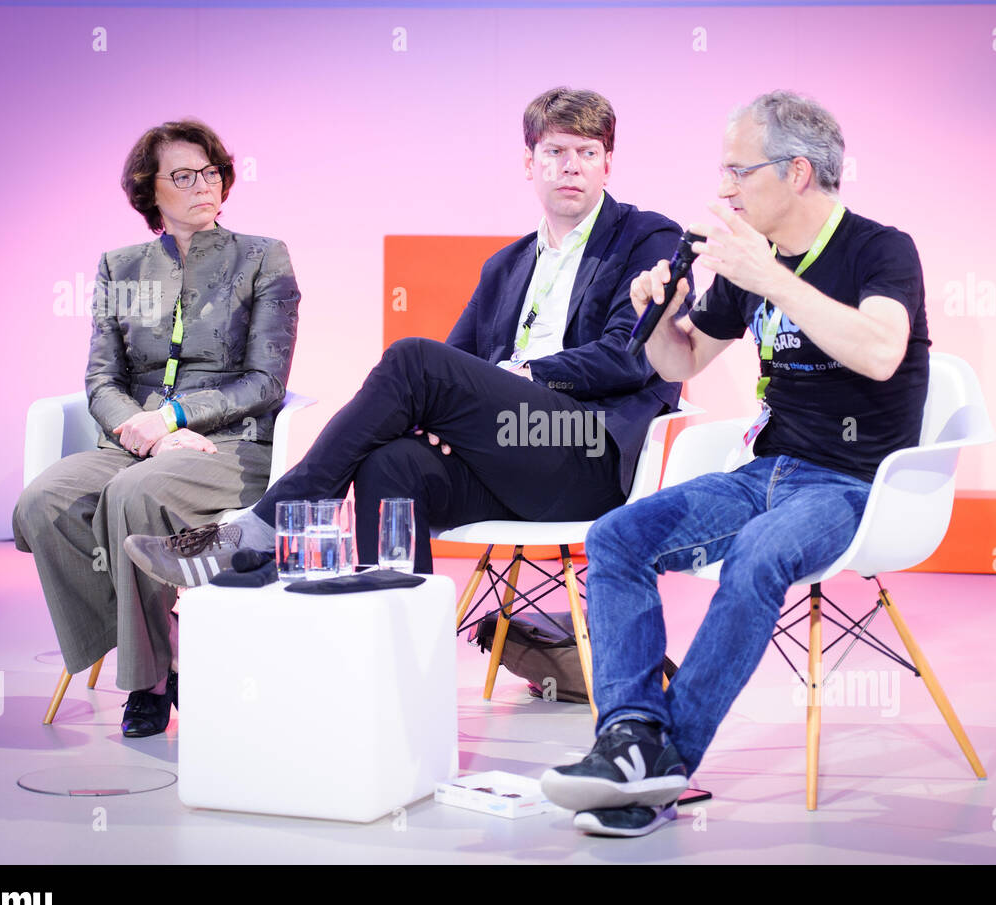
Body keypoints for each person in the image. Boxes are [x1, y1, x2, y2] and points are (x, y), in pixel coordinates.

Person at [540, 90, 931, 837]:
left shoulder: (881, 249)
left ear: (797, 174)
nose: (722, 189)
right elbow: (680, 357)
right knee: (616, 538)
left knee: (757, 556)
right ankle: (630, 734)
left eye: (735, 171)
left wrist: (771, 276)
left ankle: (662, 765)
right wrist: (658, 312)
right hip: (765, 471)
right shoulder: (756, 260)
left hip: (855, 485)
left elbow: (882, 352)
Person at [124, 87, 682, 586]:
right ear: (529, 163)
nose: (572, 167)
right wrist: (456, 420)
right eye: (555, 152)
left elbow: (632, 356)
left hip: (582, 451)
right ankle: (397, 639)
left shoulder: (648, 237)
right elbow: (460, 366)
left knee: (414, 359)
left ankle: (266, 525)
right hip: (505, 459)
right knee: (388, 461)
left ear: (608, 164)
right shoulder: (505, 266)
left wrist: (519, 375)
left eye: (588, 153)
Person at [13, 120, 300, 738]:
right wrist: (142, 432)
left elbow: (265, 381)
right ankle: (158, 648)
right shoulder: (121, 267)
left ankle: (144, 683)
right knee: (43, 500)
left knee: (133, 495)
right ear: (151, 191)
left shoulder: (262, 257)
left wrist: (173, 417)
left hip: (228, 442)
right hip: (136, 443)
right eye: (185, 175)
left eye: (212, 171)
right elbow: (100, 381)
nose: (205, 184)